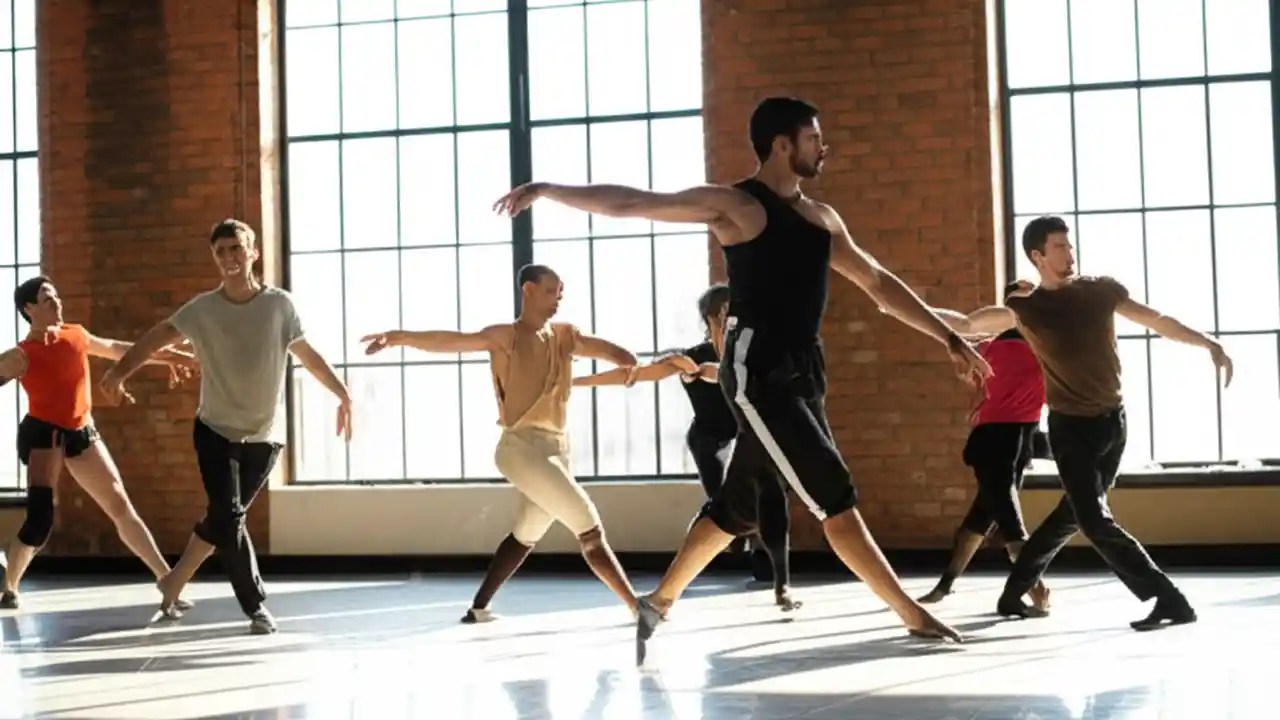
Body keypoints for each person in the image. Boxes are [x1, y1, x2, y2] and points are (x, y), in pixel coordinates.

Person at [494, 96, 992, 663]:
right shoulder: (736, 207)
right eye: (812, 139)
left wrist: (949, 336)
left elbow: (879, 283)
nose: (822, 148)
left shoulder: (822, 219)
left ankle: (657, 601)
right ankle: (910, 612)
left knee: (739, 505)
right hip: (758, 374)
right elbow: (632, 202)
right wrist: (547, 189)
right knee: (832, 492)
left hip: (806, 371)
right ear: (782, 144)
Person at [931, 215, 1227, 630]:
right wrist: (903, 305)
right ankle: (1169, 599)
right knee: (1091, 517)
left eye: (1070, 246)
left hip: (1113, 425)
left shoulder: (1100, 292)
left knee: (1071, 515)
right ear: (1038, 256)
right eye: (1059, 247)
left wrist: (1207, 342)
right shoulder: (1026, 308)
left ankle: (1015, 591)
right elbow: (965, 325)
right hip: (1071, 430)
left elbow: (1156, 320)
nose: (1070, 253)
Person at [99, 219, 353, 635]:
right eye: (221, 252)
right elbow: (154, 339)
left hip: (264, 438)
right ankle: (255, 606)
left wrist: (344, 394)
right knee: (230, 516)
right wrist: (119, 374)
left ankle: (173, 581)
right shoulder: (202, 309)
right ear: (214, 259)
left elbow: (307, 353)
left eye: (236, 248)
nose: (229, 257)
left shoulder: (279, 306)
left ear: (252, 252)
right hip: (214, 430)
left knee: (222, 517)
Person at [360, 263, 643, 624]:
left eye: (561, 292)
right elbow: (452, 341)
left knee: (527, 532)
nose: (557, 298)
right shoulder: (505, 336)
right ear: (528, 290)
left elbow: (611, 351)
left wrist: (628, 361)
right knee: (589, 526)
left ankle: (478, 608)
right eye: (550, 290)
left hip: (556, 449)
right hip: (520, 448)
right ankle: (638, 607)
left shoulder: (565, 336)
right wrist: (399, 336)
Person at [572, 283, 799, 610]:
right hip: (709, 440)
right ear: (709, 320)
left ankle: (777, 578)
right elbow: (637, 375)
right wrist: (576, 382)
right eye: (720, 318)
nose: (728, 323)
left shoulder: (748, 354)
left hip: (746, 438)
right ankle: (687, 571)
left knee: (767, 498)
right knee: (721, 507)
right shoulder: (692, 360)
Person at [0, 276, 197, 613]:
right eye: (48, 299)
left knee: (120, 506)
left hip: (81, 432)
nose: (57, 302)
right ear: (28, 309)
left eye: (57, 296)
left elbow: (120, 349)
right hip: (43, 434)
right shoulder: (22, 354)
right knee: (40, 519)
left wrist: (172, 357)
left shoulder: (76, 335)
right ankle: (9, 586)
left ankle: (167, 580)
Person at [918, 281, 1050, 609]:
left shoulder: (1047, 343)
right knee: (1008, 520)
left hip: (1021, 440)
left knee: (982, 518)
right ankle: (1035, 591)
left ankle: (945, 586)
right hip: (993, 439)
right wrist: (916, 311)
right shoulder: (989, 345)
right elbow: (961, 325)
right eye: (1015, 303)